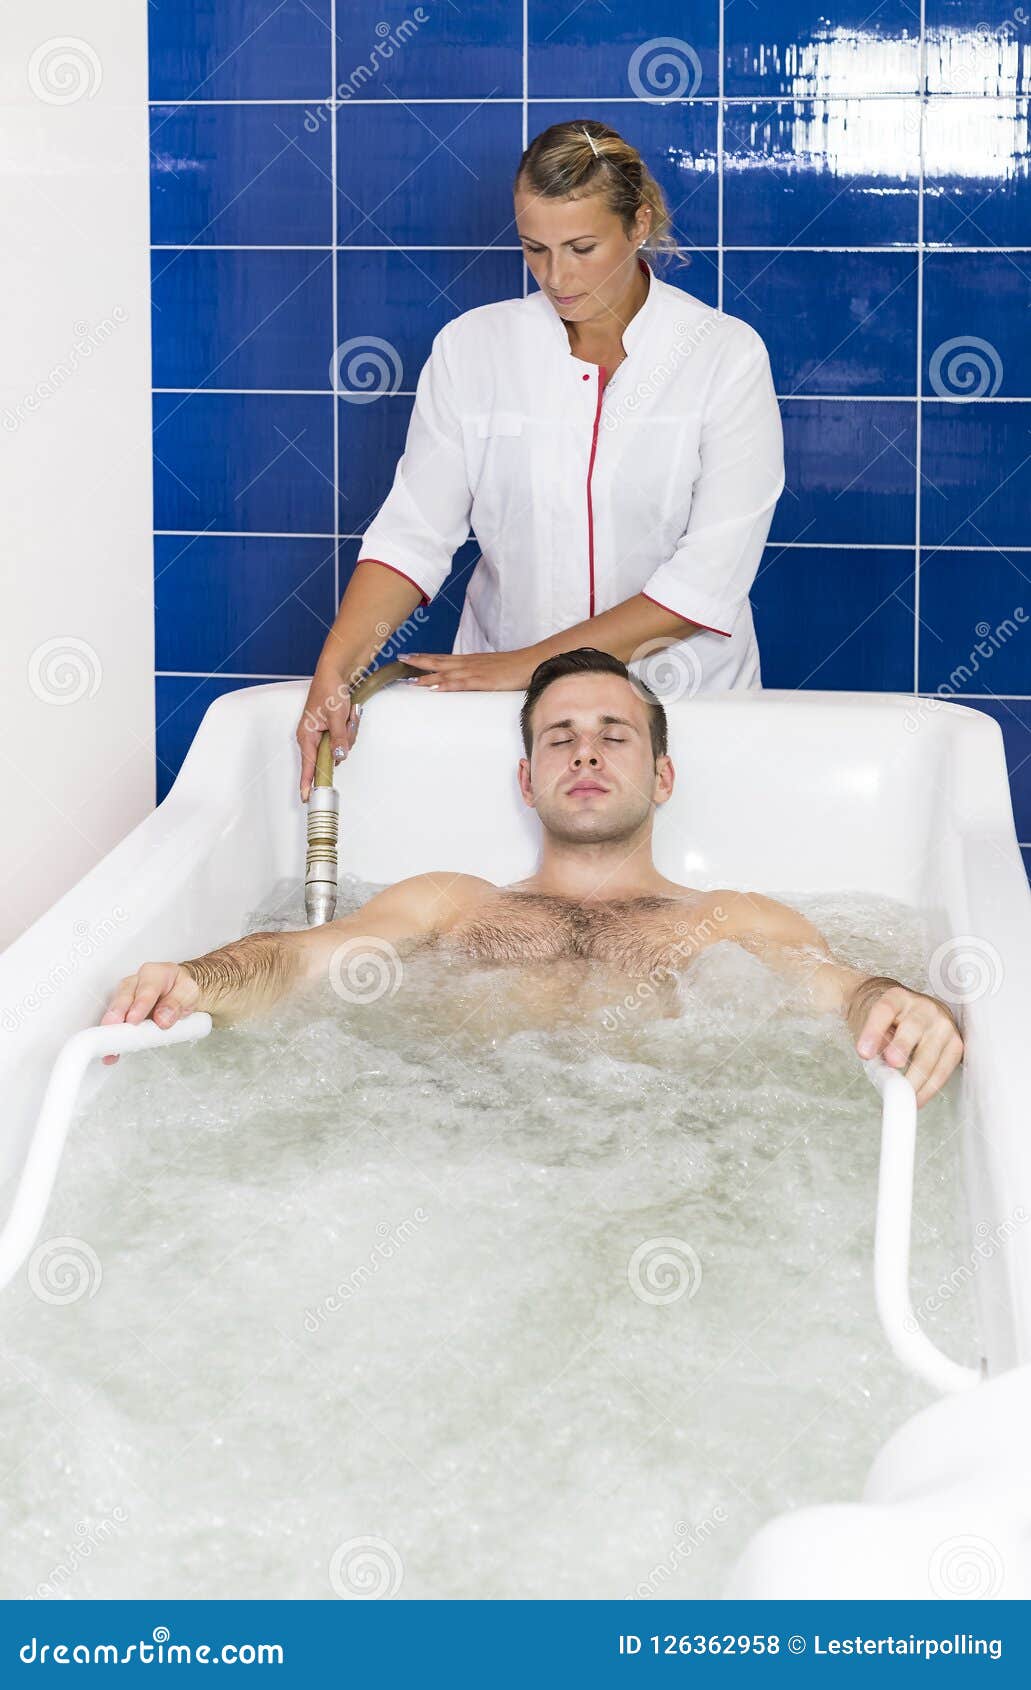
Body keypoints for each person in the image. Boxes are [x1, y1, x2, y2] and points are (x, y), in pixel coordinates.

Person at [104, 650, 963, 1109]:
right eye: (557, 736)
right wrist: (197, 981)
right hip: (447, 1127)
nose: (584, 749)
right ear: (526, 780)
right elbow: (302, 957)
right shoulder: (449, 900)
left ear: (663, 777)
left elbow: (837, 991)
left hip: (672, 1135)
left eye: (613, 734)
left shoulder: (733, 917)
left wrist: (896, 1003)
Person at [296, 117, 784, 801]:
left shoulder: (721, 356)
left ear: (637, 222)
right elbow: (414, 534)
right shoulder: (473, 349)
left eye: (582, 247)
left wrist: (529, 666)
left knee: (678, 906)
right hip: (511, 722)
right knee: (496, 906)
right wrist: (335, 669)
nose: (557, 276)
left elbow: (706, 582)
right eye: (534, 249)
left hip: (683, 708)